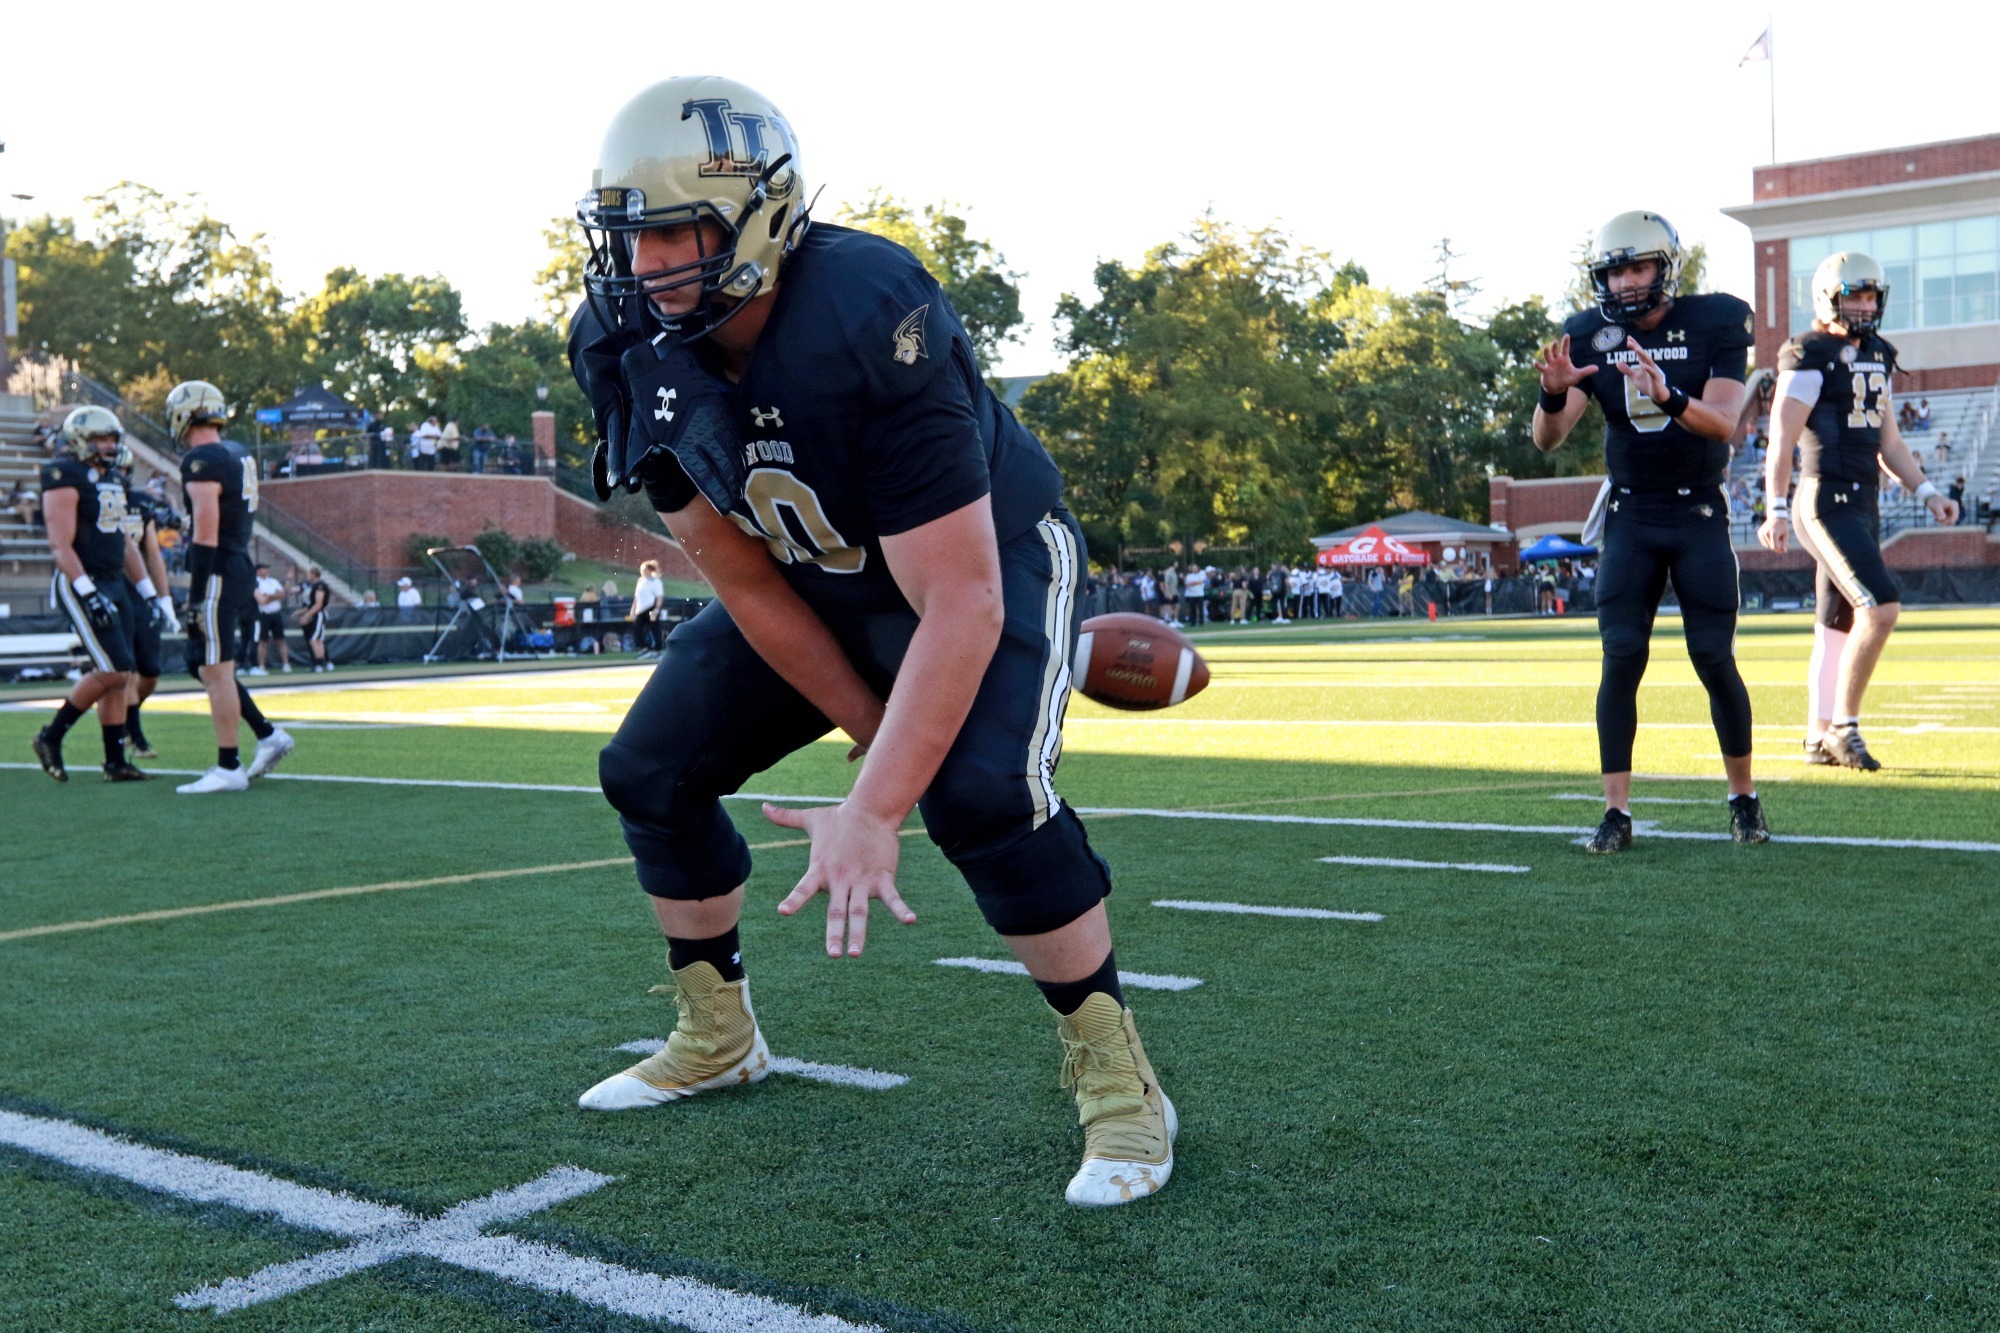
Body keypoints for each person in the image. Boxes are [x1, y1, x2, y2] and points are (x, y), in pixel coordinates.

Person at [565, 76, 1174, 1207]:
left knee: (983, 797)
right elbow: (741, 573)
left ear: (762, 217)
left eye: (674, 232)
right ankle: (717, 1032)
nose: (646, 268)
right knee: (647, 771)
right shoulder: (616, 343)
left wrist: (881, 804)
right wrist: (872, 728)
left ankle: (1117, 1073)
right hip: (809, 577)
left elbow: (960, 603)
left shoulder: (865, 309)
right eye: (630, 239)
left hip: (981, 562)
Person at [1533, 210, 1768, 852]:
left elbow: (1723, 422)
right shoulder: (1587, 335)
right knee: (1622, 655)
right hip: (1631, 515)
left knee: (1713, 655)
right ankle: (1616, 812)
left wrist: (1667, 396)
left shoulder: (1716, 319)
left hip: (1697, 512)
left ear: (1667, 266)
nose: (1626, 282)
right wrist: (1553, 396)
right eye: (1614, 270)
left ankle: (1743, 798)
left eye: (1637, 267)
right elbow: (1548, 440)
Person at [1759, 253, 1959, 771]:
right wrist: (1775, 508)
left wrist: (1928, 492)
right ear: (1830, 297)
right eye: (1855, 296)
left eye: (1871, 297)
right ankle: (1843, 730)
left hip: (1864, 501)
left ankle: (1816, 735)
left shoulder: (1875, 354)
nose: (1865, 306)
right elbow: (1781, 438)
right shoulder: (1809, 353)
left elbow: (1888, 443)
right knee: (1882, 607)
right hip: (1824, 499)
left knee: (1835, 624)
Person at [166, 380, 295, 794]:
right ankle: (267, 734)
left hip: (219, 568)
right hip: (237, 563)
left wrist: (196, 591)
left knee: (216, 669)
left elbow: (205, 531)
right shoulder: (237, 451)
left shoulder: (202, 458)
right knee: (200, 662)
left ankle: (228, 767)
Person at [29, 407, 153, 783]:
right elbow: (59, 544)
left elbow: (125, 542)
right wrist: (88, 591)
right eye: (102, 438)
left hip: (114, 579)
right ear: (82, 439)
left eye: (114, 438)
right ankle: (51, 736)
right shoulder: (63, 474)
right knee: (114, 670)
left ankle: (115, 762)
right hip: (81, 580)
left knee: (122, 672)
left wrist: (148, 591)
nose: (110, 445)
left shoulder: (112, 478)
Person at [105, 460, 181, 759]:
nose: (119, 476)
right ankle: (134, 735)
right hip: (111, 587)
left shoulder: (140, 502)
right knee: (126, 669)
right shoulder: (94, 498)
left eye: (123, 470)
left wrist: (165, 600)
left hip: (140, 592)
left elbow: (152, 552)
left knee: (150, 671)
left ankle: (128, 719)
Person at [248, 563, 290, 675]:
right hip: (263, 615)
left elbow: (281, 594)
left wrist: (270, 596)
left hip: (275, 613)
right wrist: (274, 596)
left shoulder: (273, 581)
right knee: (263, 641)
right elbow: (262, 599)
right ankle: (261, 665)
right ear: (258, 570)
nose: (266, 571)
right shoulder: (255, 582)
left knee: (281, 640)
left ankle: (286, 664)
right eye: (263, 569)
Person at [297, 564, 333, 672]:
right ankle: (321, 663)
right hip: (316, 614)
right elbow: (312, 604)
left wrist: (307, 616)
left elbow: (318, 604)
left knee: (314, 640)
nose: (307, 576)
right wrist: (301, 612)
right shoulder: (315, 586)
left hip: (318, 614)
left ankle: (319, 664)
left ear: (313, 574)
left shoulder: (319, 586)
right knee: (318, 640)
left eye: (309, 574)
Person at [629, 558, 665, 658]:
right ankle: (644, 648)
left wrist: (657, 608)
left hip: (651, 608)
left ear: (649, 571)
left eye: (644, 570)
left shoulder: (655, 582)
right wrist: (633, 610)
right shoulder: (640, 581)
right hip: (640, 609)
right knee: (637, 628)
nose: (642, 572)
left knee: (654, 628)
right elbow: (636, 597)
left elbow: (659, 596)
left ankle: (657, 651)